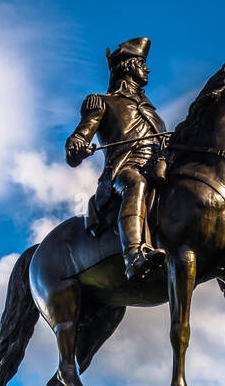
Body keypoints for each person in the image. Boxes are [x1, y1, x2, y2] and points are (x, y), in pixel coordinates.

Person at [65, 36, 168, 285]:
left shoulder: (154, 115)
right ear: (128, 66)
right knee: (136, 182)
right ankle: (134, 255)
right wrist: (76, 146)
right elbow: (77, 139)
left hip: (156, 168)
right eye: (141, 63)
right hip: (123, 171)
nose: (148, 68)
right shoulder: (102, 102)